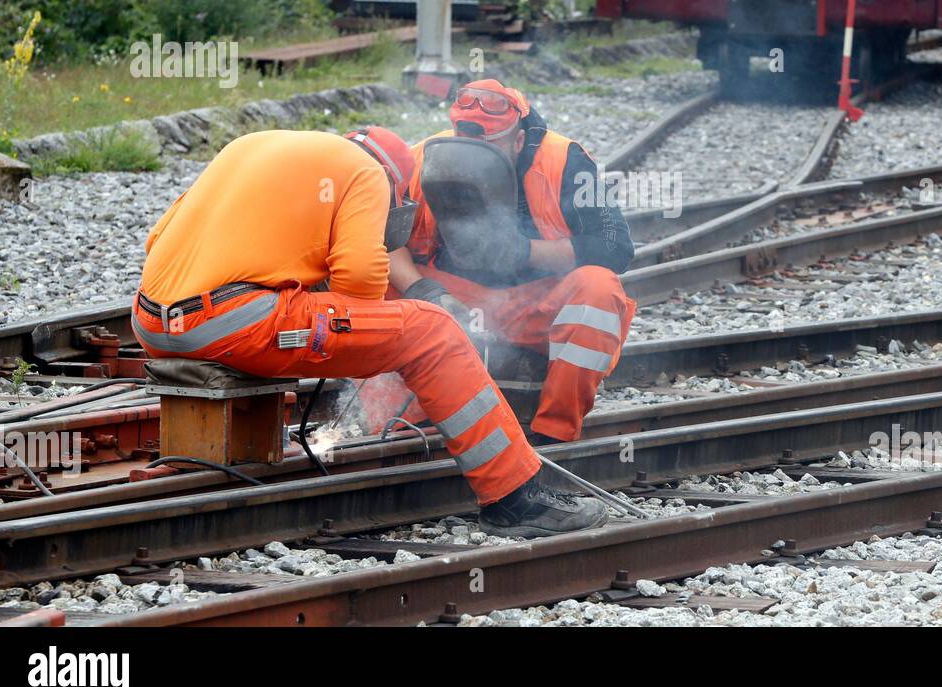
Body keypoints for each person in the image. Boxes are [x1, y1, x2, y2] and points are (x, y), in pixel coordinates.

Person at [132, 126, 606, 538]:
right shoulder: (368, 172)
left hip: (151, 320)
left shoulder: (251, 146)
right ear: (397, 183)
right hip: (233, 323)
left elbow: (158, 240)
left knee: (381, 323)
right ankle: (513, 496)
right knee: (431, 329)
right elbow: (358, 285)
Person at [391, 79, 636, 444]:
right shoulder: (424, 158)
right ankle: (402, 426)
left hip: (537, 306)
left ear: (518, 140)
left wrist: (525, 251)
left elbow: (615, 248)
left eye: (487, 151)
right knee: (376, 283)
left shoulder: (562, 161)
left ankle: (553, 434)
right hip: (453, 303)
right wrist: (423, 289)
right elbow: (383, 243)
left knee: (599, 288)